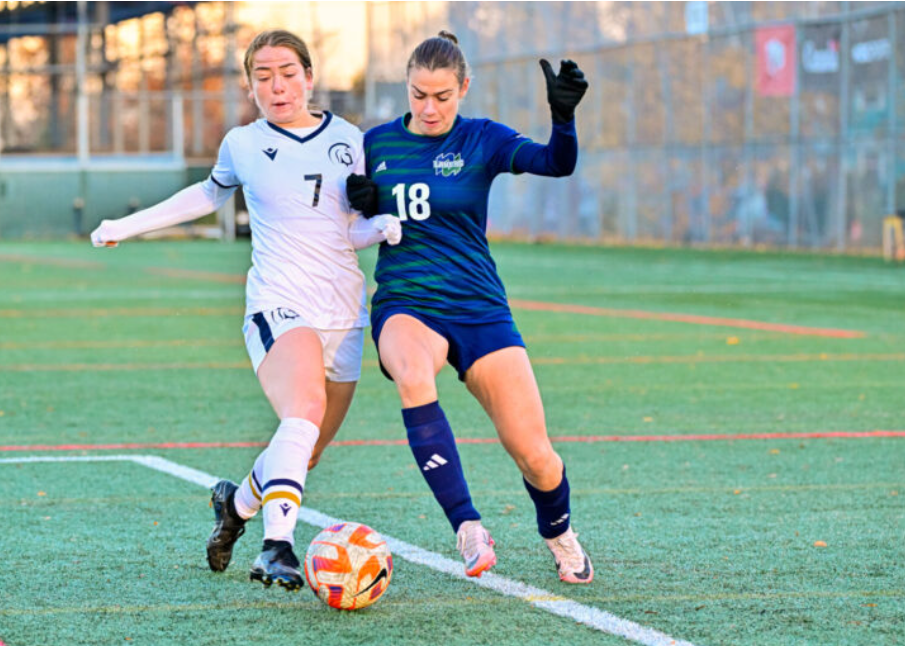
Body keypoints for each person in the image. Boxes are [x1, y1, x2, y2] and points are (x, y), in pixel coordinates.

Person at [90, 29, 401, 591]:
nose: (277, 86)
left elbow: (347, 231)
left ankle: (234, 507)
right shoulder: (244, 143)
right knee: (302, 409)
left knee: (303, 451)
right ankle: (277, 546)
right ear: (251, 85)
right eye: (263, 76)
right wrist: (124, 226)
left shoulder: (353, 140)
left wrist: (381, 224)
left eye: (287, 73)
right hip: (279, 305)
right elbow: (204, 196)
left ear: (309, 76)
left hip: (345, 313)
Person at [346, 31, 592, 584]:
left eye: (442, 97)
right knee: (412, 375)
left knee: (536, 456)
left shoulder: (482, 139)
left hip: (480, 308)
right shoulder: (375, 144)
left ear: (464, 88)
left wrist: (564, 117)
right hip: (407, 302)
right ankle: (467, 526)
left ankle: (559, 533)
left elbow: (557, 163)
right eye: (418, 95)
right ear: (406, 88)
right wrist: (355, 204)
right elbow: (338, 215)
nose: (429, 108)